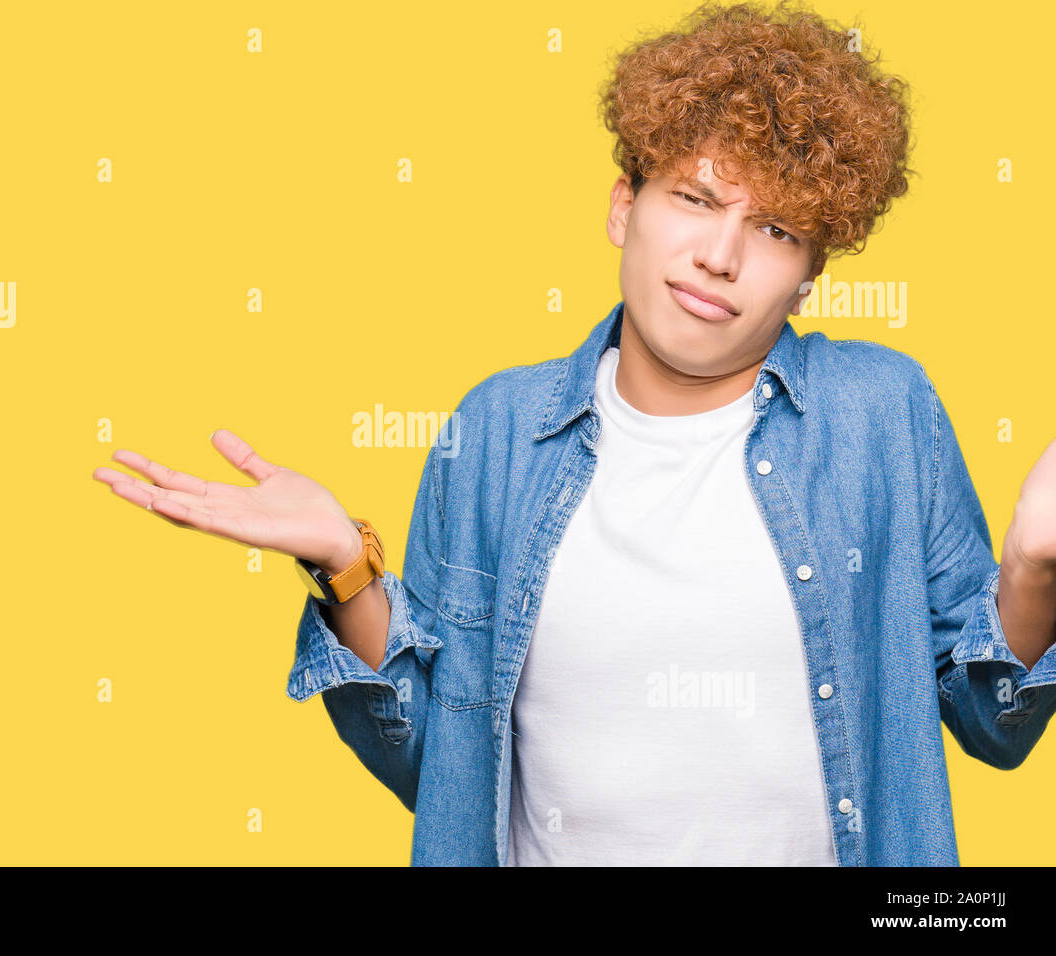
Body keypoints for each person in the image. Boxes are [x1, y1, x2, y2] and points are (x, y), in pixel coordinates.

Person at [92, 0, 1056, 865]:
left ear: (810, 271)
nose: (720, 256)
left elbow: (994, 726)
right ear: (622, 205)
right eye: (695, 197)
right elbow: (445, 773)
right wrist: (347, 568)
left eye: (774, 231)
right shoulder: (498, 434)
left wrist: (1031, 568)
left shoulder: (880, 413)